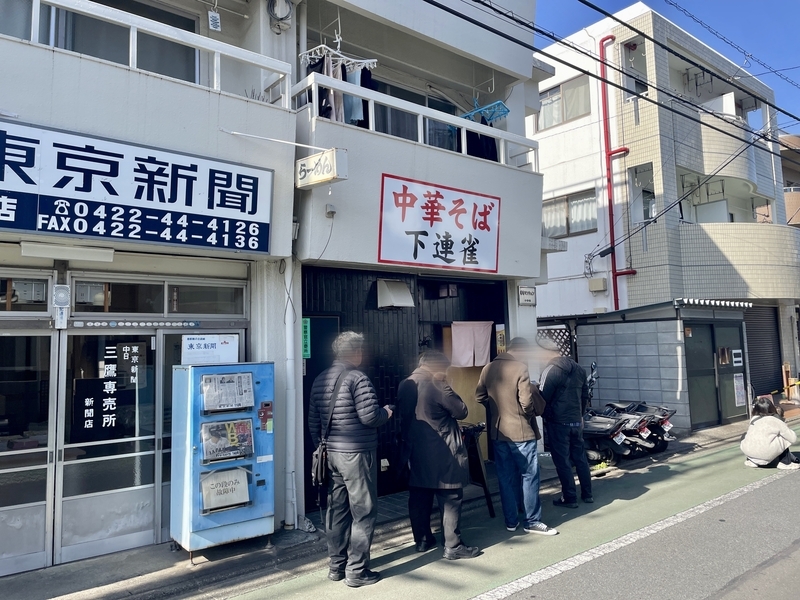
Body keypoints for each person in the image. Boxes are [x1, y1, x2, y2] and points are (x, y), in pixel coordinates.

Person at [308, 332, 393, 587]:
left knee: (337, 511)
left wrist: (325, 447)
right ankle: (356, 571)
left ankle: (336, 566)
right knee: (364, 511)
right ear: (356, 352)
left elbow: (313, 422)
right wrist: (386, 413)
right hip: (356, 454)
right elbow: (370, 417)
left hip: (330, 454)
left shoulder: (320, 379)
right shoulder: (358, 378)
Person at [397, 351, 480, 560]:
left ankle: (423, 540)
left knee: (419, 496)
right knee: (450, 496)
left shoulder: (405, 384)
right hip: (442, 450)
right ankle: (453, 546)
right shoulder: (436, 384)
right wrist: (447, 385)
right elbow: (461, 411)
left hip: (414, 450)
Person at [475, 337, 557, 536]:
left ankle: (511, 521)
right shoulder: (520, 368)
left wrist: (497, 410)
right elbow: (527, 401)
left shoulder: (488, 368)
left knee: (505, 476)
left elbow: (479, 396)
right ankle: (532, 521)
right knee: (529, 476)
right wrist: (524, 415)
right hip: (521, 431)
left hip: (498, 431)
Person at [538, 342, 594, 508]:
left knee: (562, 461)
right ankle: (587, 494)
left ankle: (569, 497)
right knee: (580, 458)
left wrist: (543, 415)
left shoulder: (550, 370)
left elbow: (542, 398)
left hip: (558, 422)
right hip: (576, 420)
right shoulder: (579, 369)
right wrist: (581, 415)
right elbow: (585, 396)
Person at [740, 397, 799, 469]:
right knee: (784, 437)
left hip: (750, 453)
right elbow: (793, 438)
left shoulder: (753, 419)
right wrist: (784, 425)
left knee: (746, 436)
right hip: (766, 454)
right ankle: (785, 462)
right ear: (771, 408)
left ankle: (752, 460)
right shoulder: (775, 420)